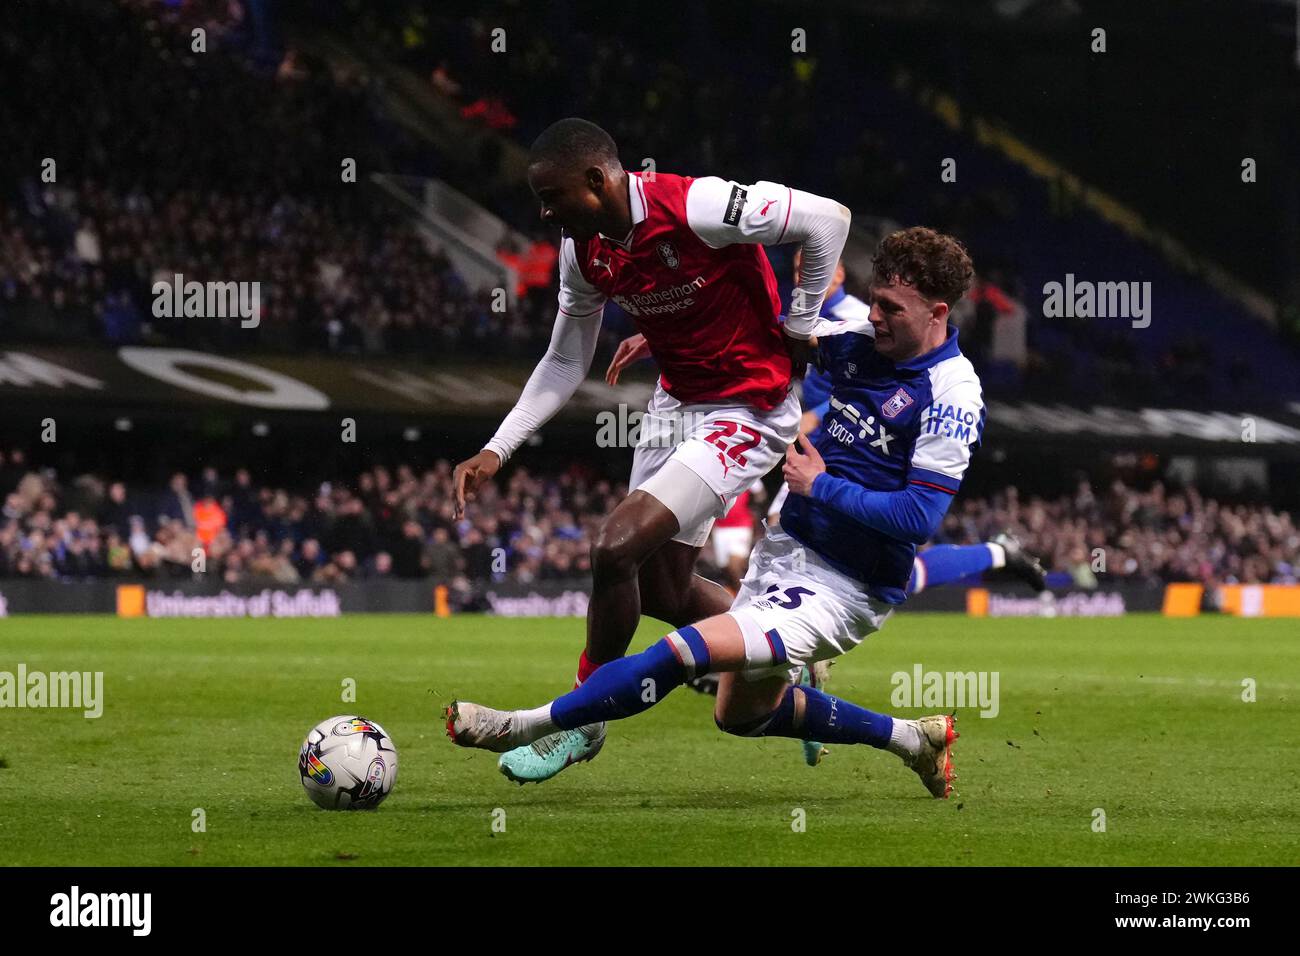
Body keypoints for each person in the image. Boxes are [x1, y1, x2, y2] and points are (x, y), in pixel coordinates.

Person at [446, 226, 981, 800]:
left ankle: (533, 724)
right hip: (784, 554)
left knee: (685, 649)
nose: (873, 315)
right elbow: (759, 338)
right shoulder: (857, 342)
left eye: (890, 308)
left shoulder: (951, 391)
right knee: (740, 715)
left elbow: (919, 516)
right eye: (874, 300)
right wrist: (668, 340)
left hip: (845, 586)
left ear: (937, 313)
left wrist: (820, 487)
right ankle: (912, 739)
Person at [450, 118, 851, 783]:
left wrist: (802, 322)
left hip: (749, 406)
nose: (546, 215)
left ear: (597, 180)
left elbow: (826, 219)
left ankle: (579, 722)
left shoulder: (694, 205)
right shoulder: (583, 253)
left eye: (553, 198)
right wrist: (498, 448)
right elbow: (563, 360)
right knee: (664, 591)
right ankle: (781, 650)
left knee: (614, 547)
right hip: (676, 403)